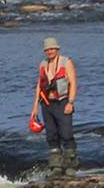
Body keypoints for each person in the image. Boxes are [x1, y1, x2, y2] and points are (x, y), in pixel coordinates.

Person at [30, 37, 78, 176]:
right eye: (47, 50)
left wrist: (70, 102)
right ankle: (56, 166)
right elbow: (39, 86)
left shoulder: (66, 62)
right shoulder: (43, 64)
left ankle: (70, 166)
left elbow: (73, 83)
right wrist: (34, 108)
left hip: (63, 102)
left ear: (57, 49)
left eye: (52, 49)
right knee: (51, 135)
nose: (50, 51)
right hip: (47, 104)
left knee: (67, 134)